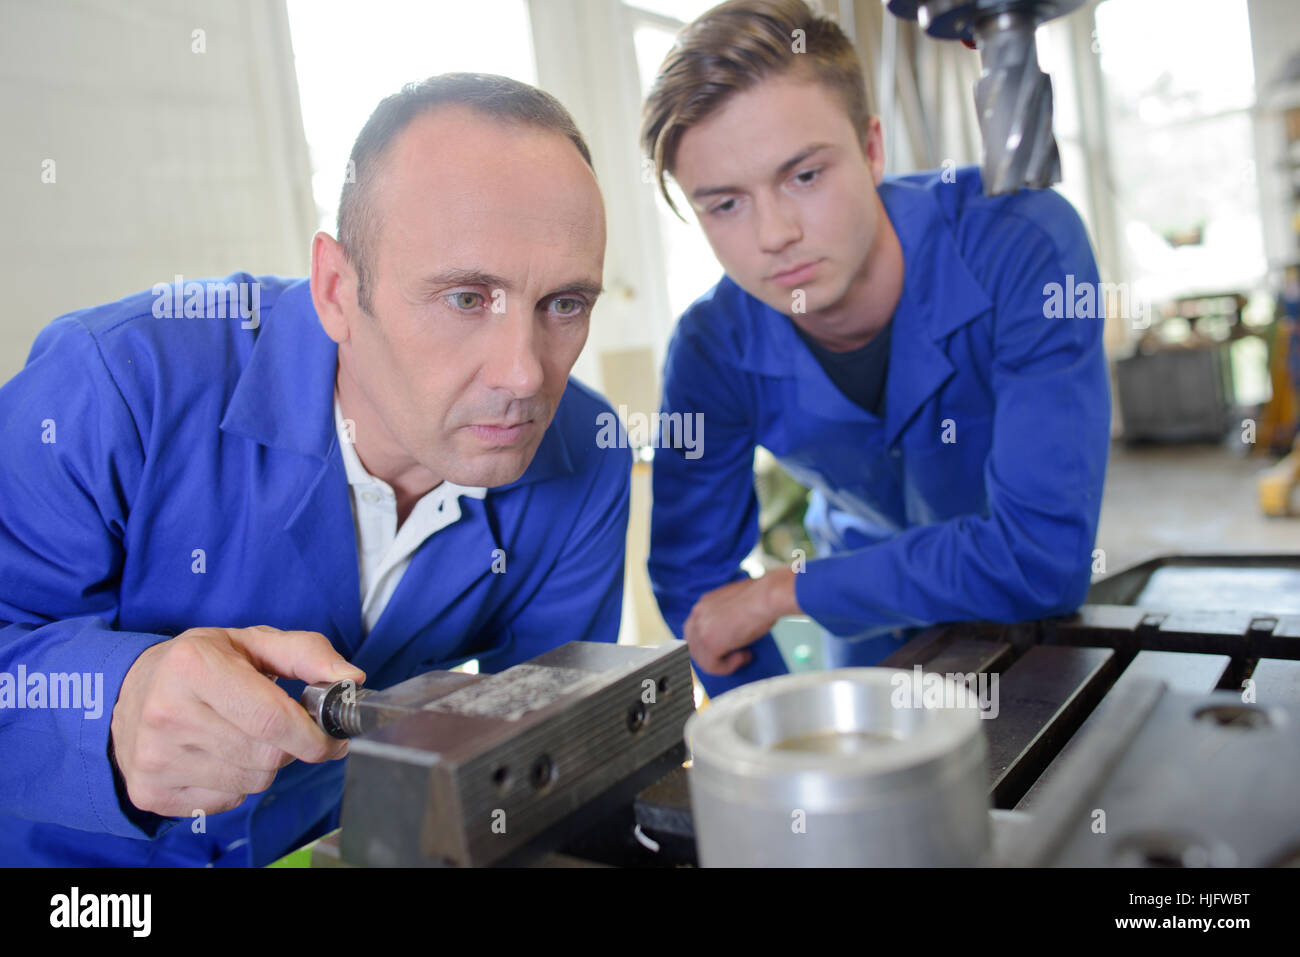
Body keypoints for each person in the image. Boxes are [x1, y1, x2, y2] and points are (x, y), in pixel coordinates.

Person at [0, 73, 629, 866]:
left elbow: (539, 750)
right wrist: (110, 706)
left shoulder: (588, 452)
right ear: (336, 287)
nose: (525, 376)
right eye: (468, 298)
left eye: (564, 303)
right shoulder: (116, 385)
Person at [641, 0, 1110, 697]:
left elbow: (1038, 558)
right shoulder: (712, 348)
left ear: (871, 150)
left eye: (804, 176)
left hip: (1016, 611)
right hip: (857, 622)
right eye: (725, 204)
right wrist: (783, 740)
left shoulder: (1023, 247)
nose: (774, 234)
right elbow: (694, 583)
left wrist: (781, 592)